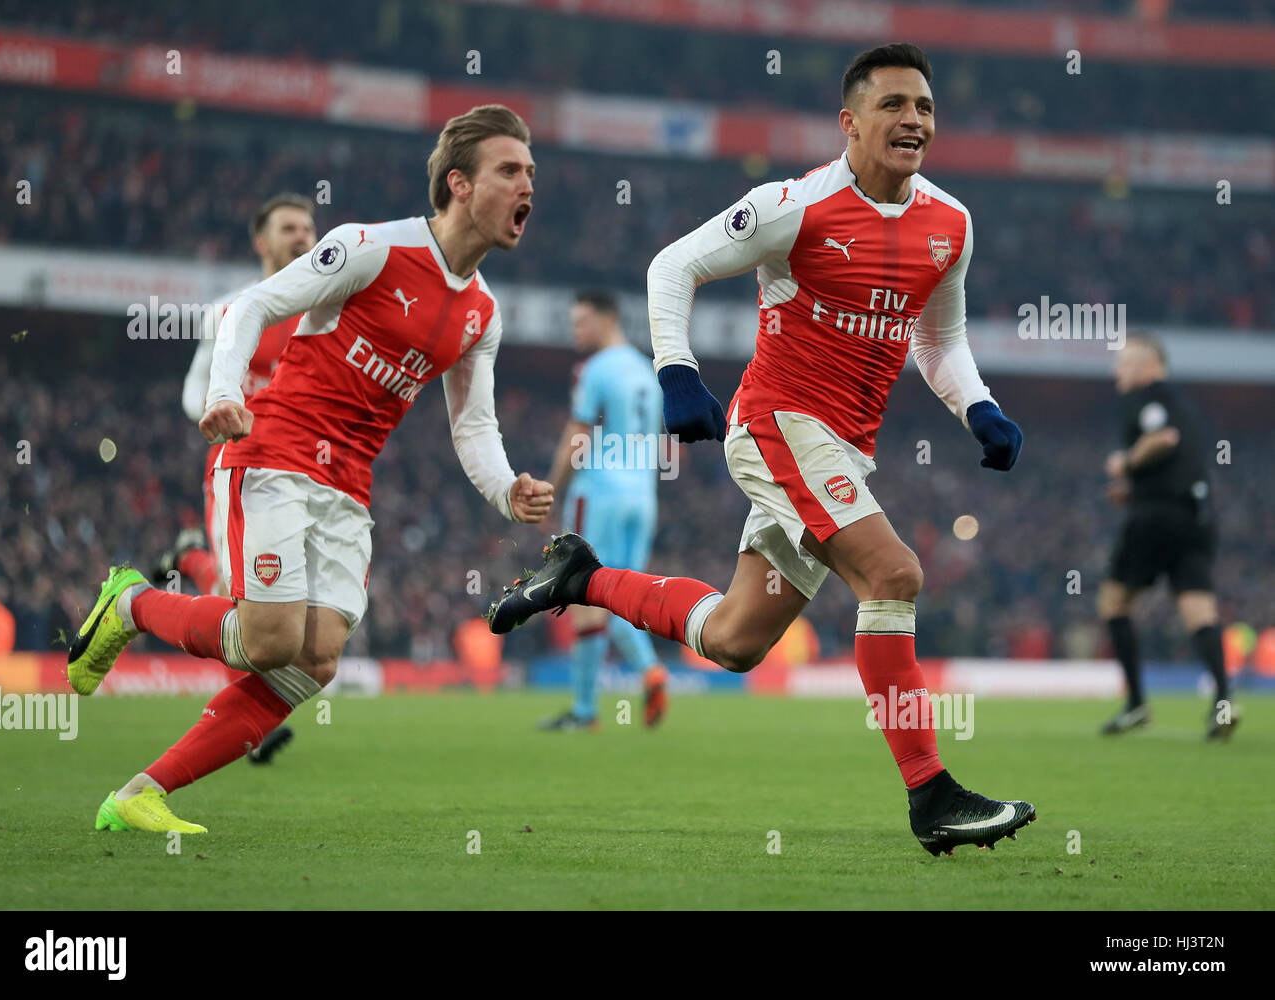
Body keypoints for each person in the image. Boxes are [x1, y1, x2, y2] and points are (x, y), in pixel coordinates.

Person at [489, 44, 1035, 856]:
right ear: (850, 123)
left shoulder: (948, 224)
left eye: (923, 106)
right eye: (893, 105)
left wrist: (979, 406)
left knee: (738, 639)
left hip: (847, 449)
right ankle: (932, 795)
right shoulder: (795, 206)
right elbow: (673, 265)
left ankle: (583, 576)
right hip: (779, 423)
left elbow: (939, 339)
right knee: (894, 574)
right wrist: (679, 374)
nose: (913, 119)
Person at [67, 104, 553, 834]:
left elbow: (474, 425)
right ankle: (132, 602)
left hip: (349, 484)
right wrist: (226, 394)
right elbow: (252, 307)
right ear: (459, 184)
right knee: (267, 639)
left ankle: (140, 792)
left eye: (531, 173)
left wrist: (505, 486)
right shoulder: (370, 249)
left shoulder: (483, 312)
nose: (528, 187)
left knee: (316, 658)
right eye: (510, 171)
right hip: (276, 457)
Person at [164, 192, 318, 765]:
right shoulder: (232, 311)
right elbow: (191, 394)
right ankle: (246, 726)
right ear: (262, 241)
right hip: (239, 473)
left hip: (307, 478)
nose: (303, 236)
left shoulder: (328, 315)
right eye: (289, 227)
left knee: (284, 610)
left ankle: (188, 557)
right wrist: (226, 414)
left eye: (308, 227)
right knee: (245, 602)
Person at [537, 291, 667, 731]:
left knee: (585, 594)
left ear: (608, 318)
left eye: (582, 322)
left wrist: (552, 490)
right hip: (643, 496)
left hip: (600, 493)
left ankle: (586, 710)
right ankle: (646, 672)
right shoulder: (648, 371)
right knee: (623, 597)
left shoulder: (594, 369)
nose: (576, 331)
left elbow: (579, 434)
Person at [1098, 332, 1237, 740]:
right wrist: (1138, 488)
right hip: (1196, 515)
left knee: (1113, 601)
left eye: (1124, 362)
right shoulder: (1186, 405)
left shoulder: (1150, 400)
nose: (1116, 370)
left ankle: (1136, 704)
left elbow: (1162, 439)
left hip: (1158, 518)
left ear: (1148, 366)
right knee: (1199, 610)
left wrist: (1126, 463)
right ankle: (1223, 701)